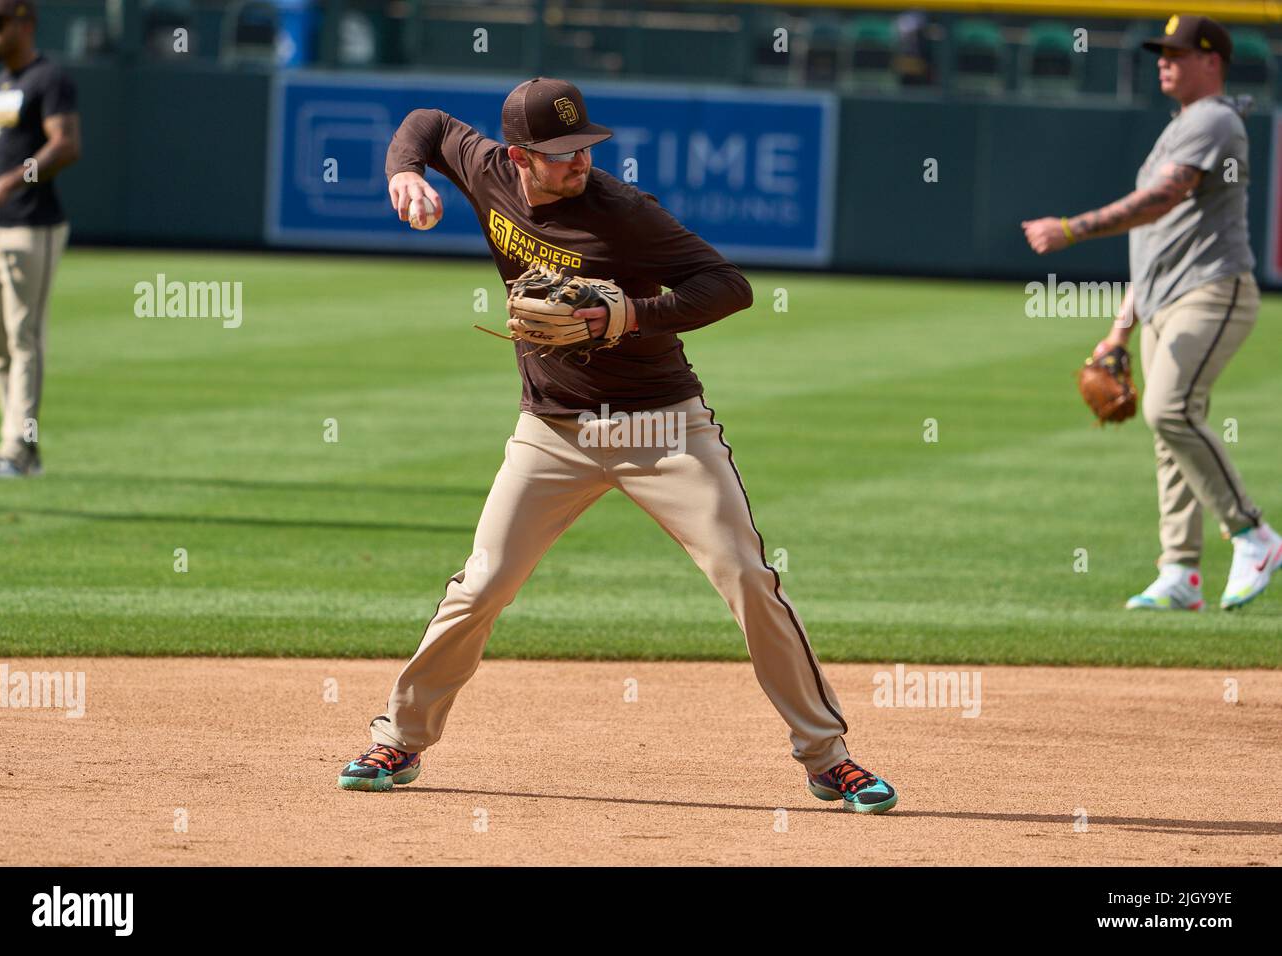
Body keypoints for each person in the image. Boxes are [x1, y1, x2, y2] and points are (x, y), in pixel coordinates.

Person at [337, 77, 898, 813]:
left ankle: (828, 759)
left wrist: (627, 316)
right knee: (482, 584)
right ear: (519, 157)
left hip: (663, 428)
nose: (579, 163)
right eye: (561, 154)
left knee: (746, 575)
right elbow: (428, 121)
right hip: (551, 430)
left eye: (584, 148)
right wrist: (403, 172)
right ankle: (399, 740)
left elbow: (729, 286)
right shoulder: (486, 171)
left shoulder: (626, 213)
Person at [1021, 14, 1280, 611]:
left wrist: (1070, 230)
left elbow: (1162, 198)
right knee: (1168, 432)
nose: (1164, 60)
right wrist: (1119, 330)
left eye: (1179, 52)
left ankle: (1253, 534)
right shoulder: (1181, 124)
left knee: (1170, 409)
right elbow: (1159, 240)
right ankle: (1182, 572)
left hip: (1212, 291)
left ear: (1211, 61)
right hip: (1164, 297)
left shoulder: (1213, 119)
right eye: (1161, 52)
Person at [0, 0, 79, 478]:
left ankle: (19, 450)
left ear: (25, 21)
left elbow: (65, 145)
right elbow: (3, 148)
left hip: (33, 223)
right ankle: (17, 448)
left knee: (25, 337)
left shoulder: (49, 78)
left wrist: (9, 183)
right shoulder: (3, 83)